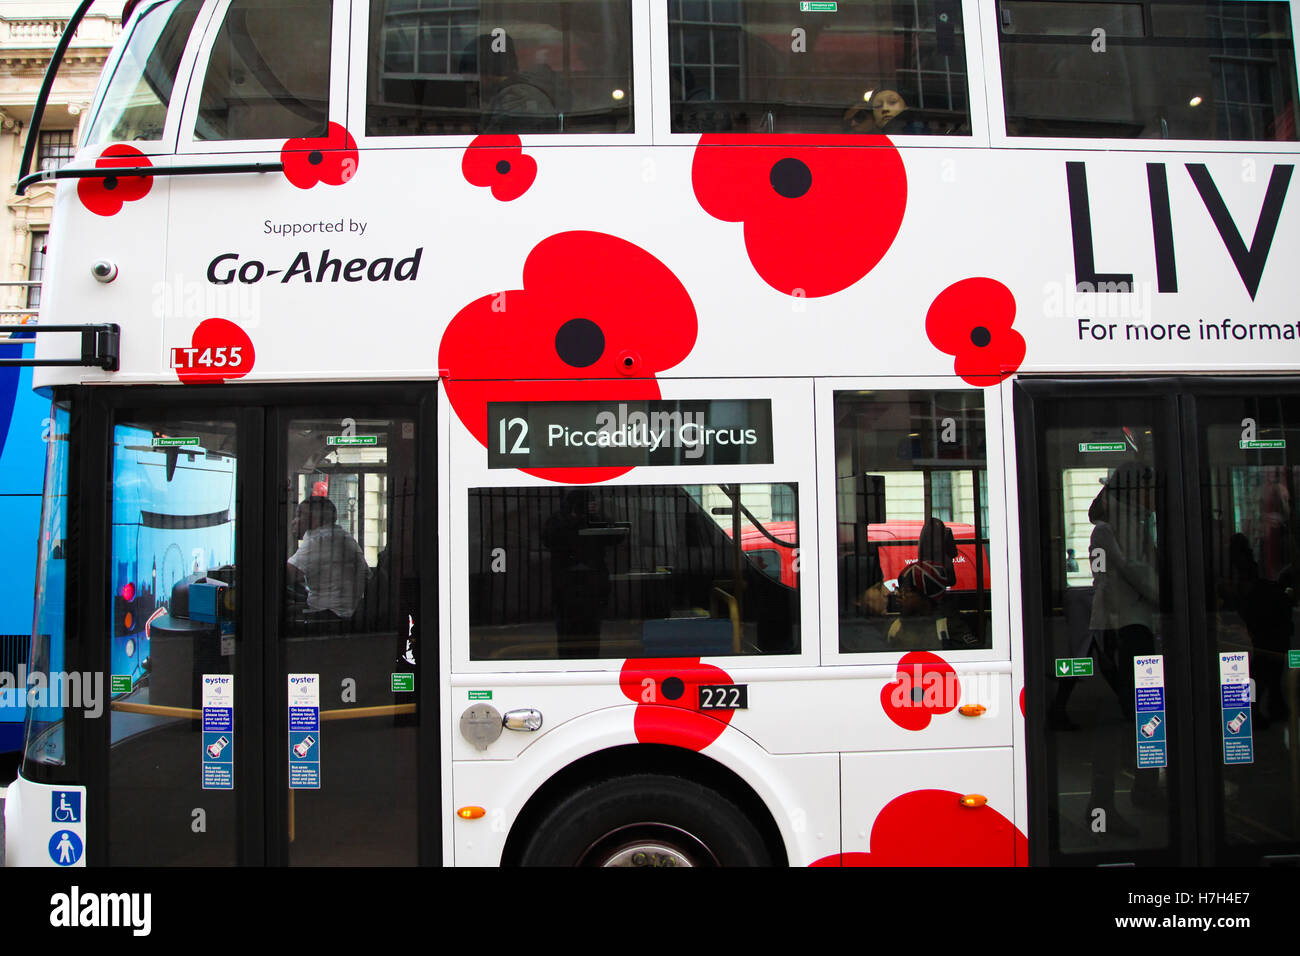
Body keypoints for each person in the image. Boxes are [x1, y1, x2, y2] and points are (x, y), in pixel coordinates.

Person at [286, 495, 369, 620]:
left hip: (330, 616)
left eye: (299, 515)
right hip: (345, 612)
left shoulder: (319, 540)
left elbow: (285, 576)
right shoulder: (341, 535)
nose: (294, 521)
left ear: (315, 519)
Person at [843, 87, 929, 135]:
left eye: (892, 102)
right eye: (878, 106)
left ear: (906, 107)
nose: (885, 109)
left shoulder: (918, 134)